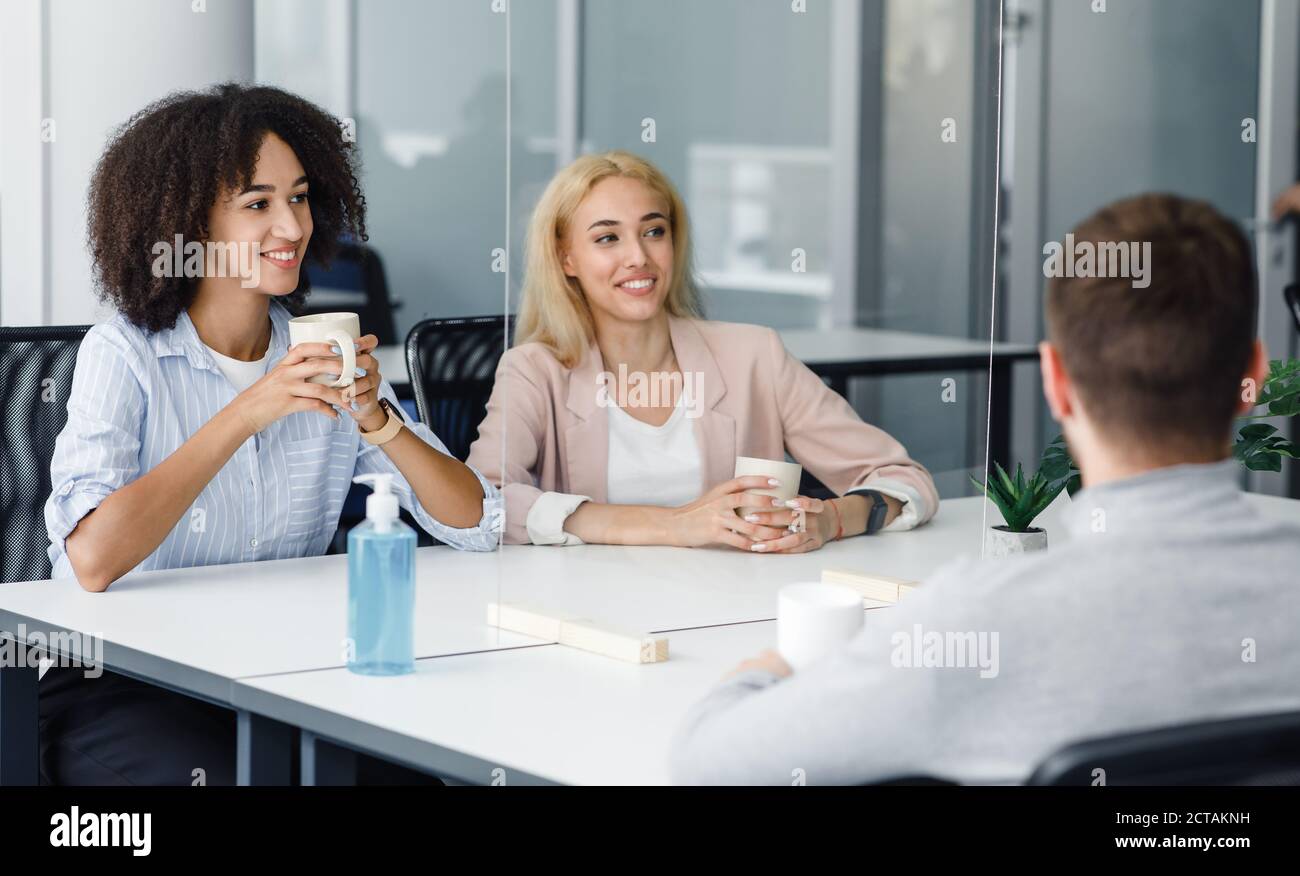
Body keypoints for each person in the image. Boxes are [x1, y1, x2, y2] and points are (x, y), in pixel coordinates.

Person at [670, 193, 1300, 784]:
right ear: (1254, 373)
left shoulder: (976, 626)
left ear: (1053, 381)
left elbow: (708, 763)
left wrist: (773, 669)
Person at [41, 83, 500, 785]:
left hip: (277, 674)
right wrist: (250, 409)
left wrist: (378, 421)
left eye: (301, 196)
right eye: (257, 204)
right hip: (124, 684)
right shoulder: (124, 353)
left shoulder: (316, 350)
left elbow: (477, 524)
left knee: (411, 778)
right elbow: (92, 562)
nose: (292, 226)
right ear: (188, 224)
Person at [467, 151, 937, 551]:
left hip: (733, 609)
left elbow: (902, 479)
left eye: (653, 231)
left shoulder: (754, 355)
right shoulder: (534, 370)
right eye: (607, 238)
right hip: (594, 617)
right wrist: (670, 525)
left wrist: (832, 520)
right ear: (566, 258)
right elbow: (480, 503)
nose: (639, 257)